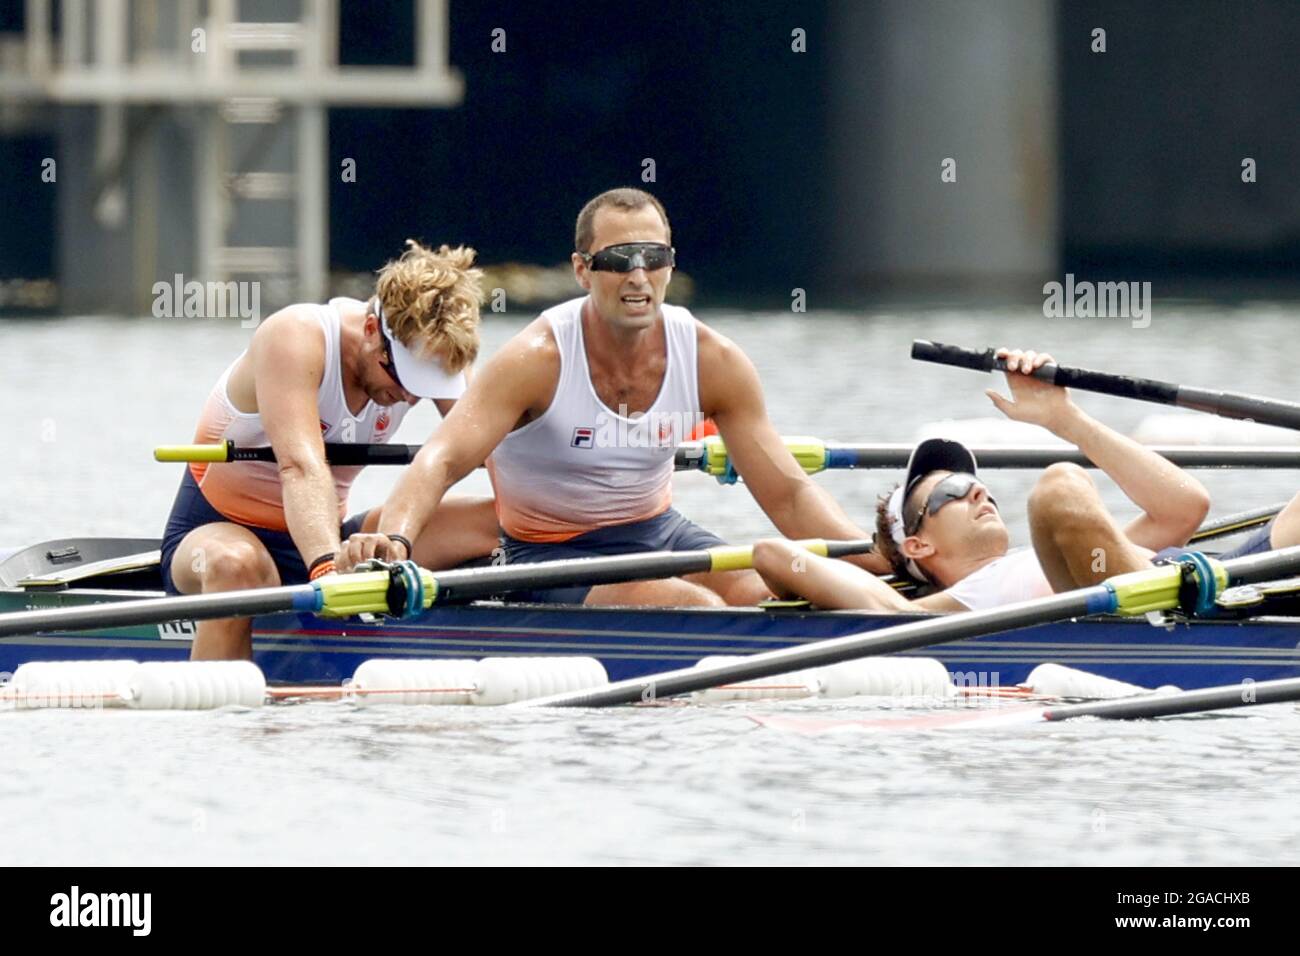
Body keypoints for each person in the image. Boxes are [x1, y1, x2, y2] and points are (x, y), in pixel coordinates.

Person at [338, 188, 885, 605]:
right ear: (582, 270)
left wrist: (872, 558)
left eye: (654, 258)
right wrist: (398, 544)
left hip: (660, 533)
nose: (639, 276)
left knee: (785, 590)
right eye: (619, 260)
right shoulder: (537, 359)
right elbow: (443, 458)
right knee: (693, 607)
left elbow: (788, 494)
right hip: (549, 553)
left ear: (672, 263)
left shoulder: (713, 360)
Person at [749, 347, 1289, 612]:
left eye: (975, 483)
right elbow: (773, 554)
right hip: (1191, 615)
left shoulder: (1067, 553)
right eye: (952, 491)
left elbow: (1184, 508)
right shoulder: (946, 609)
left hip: (1225, 582)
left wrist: (1064, 419)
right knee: (1058, 485)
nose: (978, 489)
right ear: (919, 542)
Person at [162, 241, 499, 659]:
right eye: (404, 378)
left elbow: (495, 453)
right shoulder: (296, 336)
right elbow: (301, 466)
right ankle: (222, 708)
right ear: (373, 331)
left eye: (425, 387)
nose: (410, 397)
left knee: (499, 521)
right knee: (238, 567)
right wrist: (326, 570)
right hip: (219, 533)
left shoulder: (441, 352)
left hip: (326, 533)